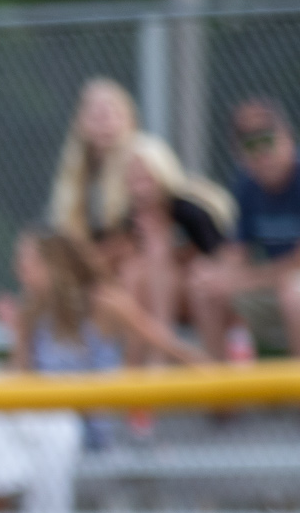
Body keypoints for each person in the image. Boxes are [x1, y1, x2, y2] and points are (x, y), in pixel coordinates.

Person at [0, 230, 202, 513]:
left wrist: (227, 377)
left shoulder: (104, 304)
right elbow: (17, 380)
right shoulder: (33, 313)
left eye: (28, 263)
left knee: (50, 428)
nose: (20, 271)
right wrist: (13, 332)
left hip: (87, 434)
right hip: (40, 431)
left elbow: (167, 345)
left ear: (54, 266)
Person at [189, 97, 300, 358]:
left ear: (287, 136)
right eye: (249, 144)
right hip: (276, 283)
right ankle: (219, 395)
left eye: (267, 139)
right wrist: (215, 273)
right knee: (205, 287)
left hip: (290, 287)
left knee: (296, 293)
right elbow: (236, 251)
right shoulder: (247, 184)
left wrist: (242, 280)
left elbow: (296, 264)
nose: (261, 152)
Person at [119, 133, 234, 357]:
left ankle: (170, 351)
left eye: (146, 174)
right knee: (134, 272)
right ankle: (137, 359)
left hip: (193, 291)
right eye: (134, 175)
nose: (140, 181)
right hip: (153, 292)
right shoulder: (129, 218)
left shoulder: (188, 211)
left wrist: (171, 251)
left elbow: (217, 257)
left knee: (174, 262)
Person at [46, 77, 140, 263]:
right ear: (80, 122)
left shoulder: (139, 163)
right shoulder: (78, 172)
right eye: (95, 115)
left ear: (127, 118)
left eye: (109, 113)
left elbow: (135, 236)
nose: (103, 122)